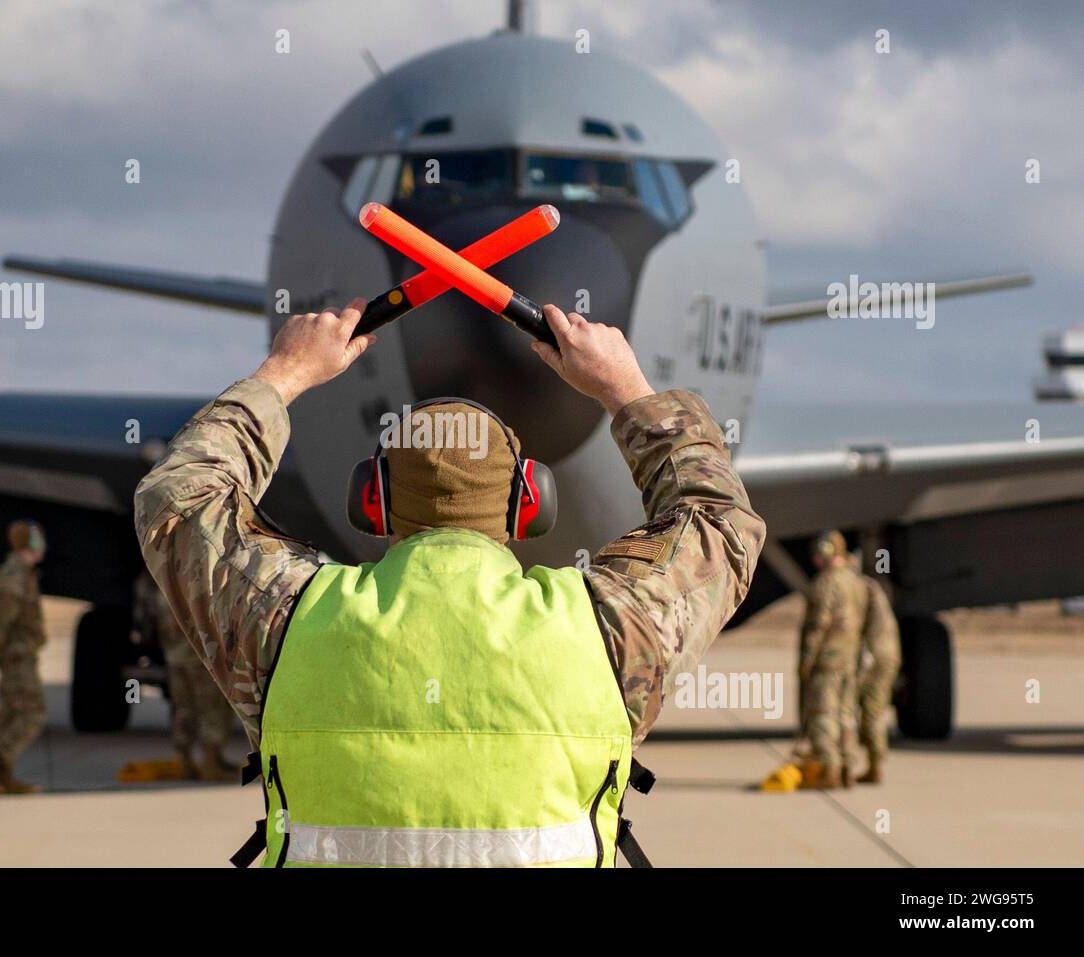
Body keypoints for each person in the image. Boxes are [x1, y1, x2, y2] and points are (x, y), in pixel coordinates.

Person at [134, 299, 766, 867]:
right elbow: (722, 524)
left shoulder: (288, 620)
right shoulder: (607, 631)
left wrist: (286, 372)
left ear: (372, 501)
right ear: (528, 505)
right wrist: (625, 387)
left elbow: (179, 501)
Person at [132, 571, 239, 781]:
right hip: (200, 654)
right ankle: (211, 761)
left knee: (183, 707)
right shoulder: (198, 575)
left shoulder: (156, 575)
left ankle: (186, 761)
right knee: (212, 705)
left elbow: (145, 617)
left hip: (174, 654)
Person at [0, 519, 48, 795]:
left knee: (9, 715)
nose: (42, 546)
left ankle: (4, 777)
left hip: (20, 654)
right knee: (33, 714)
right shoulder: (14, 575)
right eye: (37, 540)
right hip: (17, 657)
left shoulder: (22, 573)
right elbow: (0, 620)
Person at [798, 530, 869, 789]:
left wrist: (807, 658)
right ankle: (848, 765)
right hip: (850, 659)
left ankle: (830, 768)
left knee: (823, 713)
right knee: (847, 713)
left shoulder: (825, 583)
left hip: (827, 660)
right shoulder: (858, 583)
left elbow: (818, 625)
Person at [856, 574, 901, 783]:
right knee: (873, 709)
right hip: (885, 657)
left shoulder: (864, 590)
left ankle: (875, 765)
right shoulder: (875, 592)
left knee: (871, 712)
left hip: (876, 659)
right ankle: (874, 763)